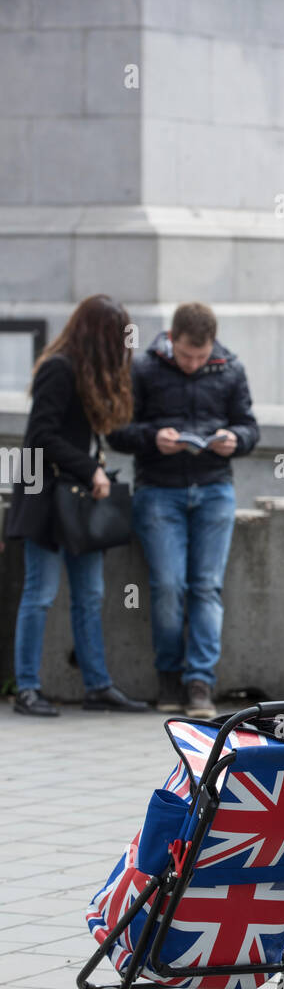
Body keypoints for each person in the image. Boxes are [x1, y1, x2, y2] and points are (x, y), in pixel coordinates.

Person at [107, 303, 260, 720]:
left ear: (213, 345)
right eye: (186, 356)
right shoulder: (143, 370)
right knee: (168, 586)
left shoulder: (230, 368)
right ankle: (169, 675)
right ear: (170, 340)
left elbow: (250, 427)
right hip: (160, 490)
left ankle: (200, 682)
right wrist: (154, 437)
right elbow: (116, 431)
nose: (193, 365)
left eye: (201, 356)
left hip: (214, 488)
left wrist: (235, 438)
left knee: (206, 586)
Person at [6, 295, 149, 718]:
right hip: (48, 502)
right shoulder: (59, 368)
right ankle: (27, 688)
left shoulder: (85, 371)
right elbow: (39, 437)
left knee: (90, 595)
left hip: (78, 504)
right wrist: (91, 469)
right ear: (99, 335)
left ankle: (97, 685)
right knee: (40, 594)